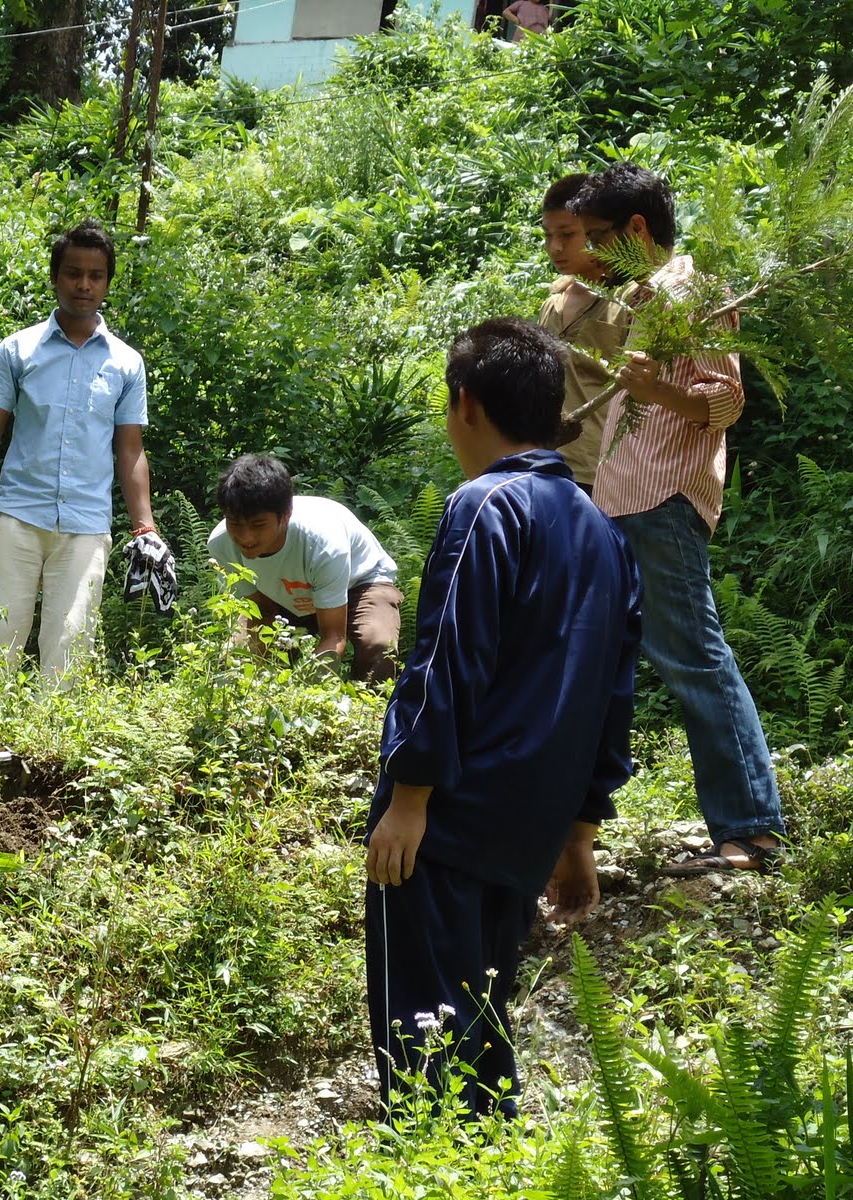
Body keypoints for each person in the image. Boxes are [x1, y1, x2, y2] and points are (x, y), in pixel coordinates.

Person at [365, 318, 641, 1117]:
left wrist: (409, 795)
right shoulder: (604, 534)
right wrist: (579, 834)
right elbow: (614, 696)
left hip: (448, 818)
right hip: (531, 827)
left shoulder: (485, 505)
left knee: (425, 1035)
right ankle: (490, 1157)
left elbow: (447, 658)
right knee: (479, 1023)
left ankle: (434, 1158)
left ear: (465, 404)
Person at [569, 163, 786, 875]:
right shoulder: (646, 297)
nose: (589, 251)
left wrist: (659, 388)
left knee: (693, 656)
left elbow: (725, 401)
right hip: (624, 501)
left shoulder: (692, 292)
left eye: (598, 235)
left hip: (662, 502)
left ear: (637, 228)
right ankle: (581, 826)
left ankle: (751, 831)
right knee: (616, 661)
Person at [0, 219, 164, 684]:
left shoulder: (126, 363)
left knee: (70, 653)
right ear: (54, 277)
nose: (84, 285)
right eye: (73, 273)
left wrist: (145, 525)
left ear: (108, 283)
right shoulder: (17, 350)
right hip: (18, 514)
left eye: (96, 275)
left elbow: (130, 450)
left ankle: (51, 734)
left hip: (86, 525)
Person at [208, 454, 402, 683]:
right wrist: (262, 672)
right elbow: (261, 611)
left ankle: (370, 703)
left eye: (258, 525)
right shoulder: (221, 544)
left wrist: (308, 690)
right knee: (235, 657)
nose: (245, 537)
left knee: (378, 645)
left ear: (285, 516)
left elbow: (333, 636)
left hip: (360, 583)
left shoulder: (324, 544)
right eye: (234, 523)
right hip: (283, 597)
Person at [536, 173, 633, 495]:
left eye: (567, 235)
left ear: (594, 231)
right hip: (547, 466)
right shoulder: (553, 302)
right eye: (548, 235)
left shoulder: (629, 299)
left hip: (606, 473)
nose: (555, 247)